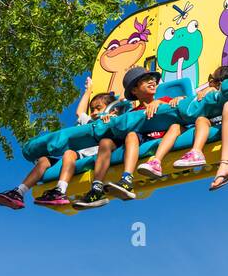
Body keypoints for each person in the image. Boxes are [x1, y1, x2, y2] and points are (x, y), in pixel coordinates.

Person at [0, 77, 119, 210]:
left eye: (98, 109)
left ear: (112, 110)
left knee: (69, 153)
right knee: (43, 160)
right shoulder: (89, 123)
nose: (94, 113)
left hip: (89, 157)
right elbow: (79, 113)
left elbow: (125, 119)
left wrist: (111, 117)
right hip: (72, 159)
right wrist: (88, 91)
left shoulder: (115, 120)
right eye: (93, 109)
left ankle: (60, 191)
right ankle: (19, 192)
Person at [73, 66, 183, 209]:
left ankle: (152, 163)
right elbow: (120, 119)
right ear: (134, 90)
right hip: (143, 138)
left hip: (165, 136)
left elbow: (183, 102)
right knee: (117, 138)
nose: (152, 82)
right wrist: (107, 118)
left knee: (174, 126)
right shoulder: (132, 113)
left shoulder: (165, 100)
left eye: (153, 79)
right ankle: (111, 184)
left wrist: (161, 103)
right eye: (146, 80)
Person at [171, 66, 228, 171]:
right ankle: (196, 152)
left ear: (219, 83)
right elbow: (195, 104)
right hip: (210, 123)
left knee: (201, 119)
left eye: (211, 79)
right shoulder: (205, 95)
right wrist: (182, 99)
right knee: (201, 119)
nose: (209, 83)